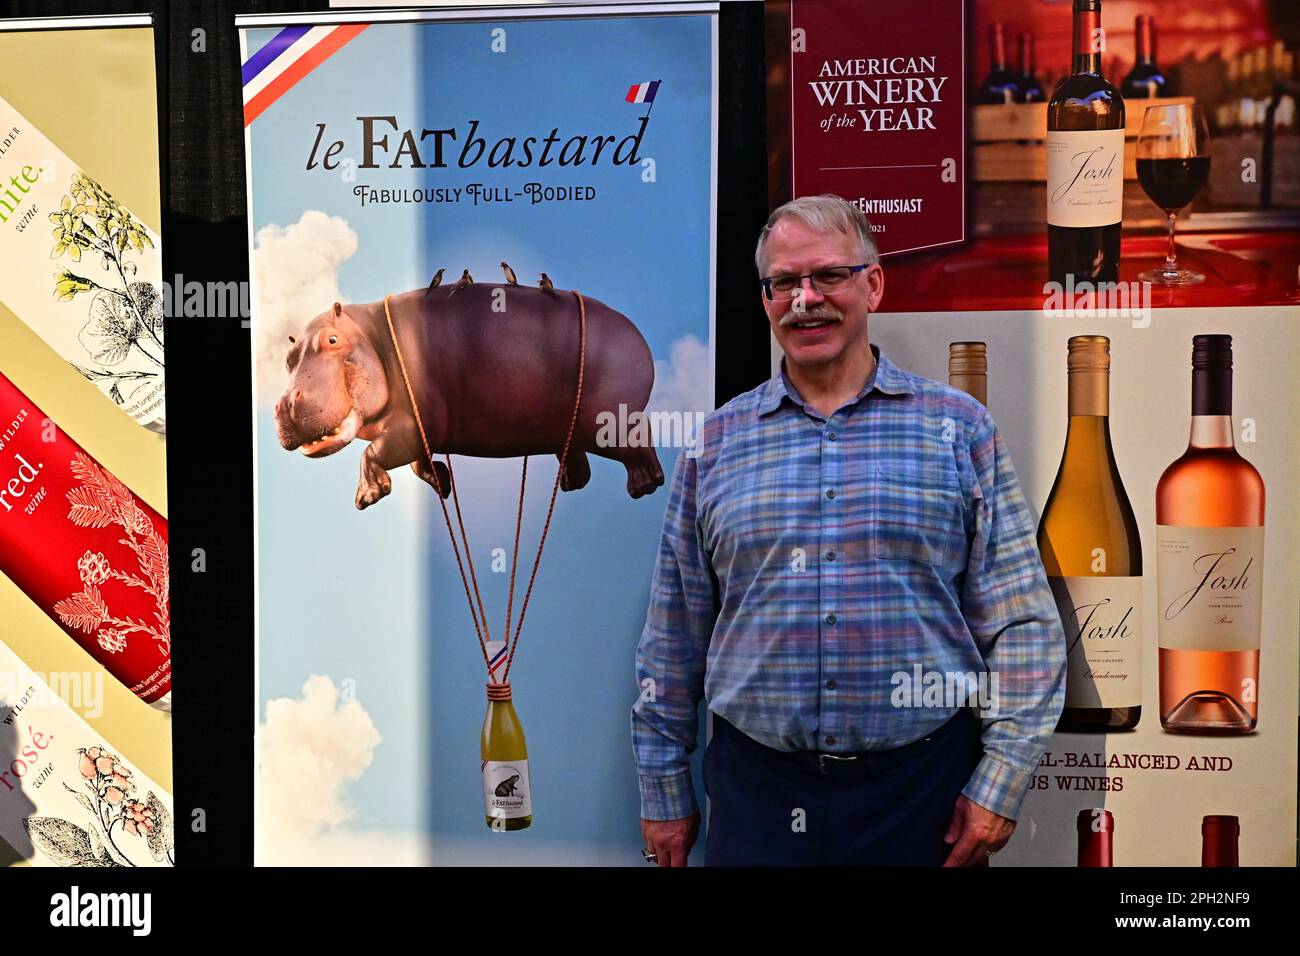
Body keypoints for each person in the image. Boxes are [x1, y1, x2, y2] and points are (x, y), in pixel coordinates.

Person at [631, 194, 1065, 867]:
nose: (805, 299)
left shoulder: (958, 430)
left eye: (829, 275)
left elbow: (1023, 624)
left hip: (923, 798)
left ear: (873, 284)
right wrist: (662, 790)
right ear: (767, 297)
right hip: (756, 798)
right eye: (783, 283)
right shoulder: (714, 446)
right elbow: (673, 638)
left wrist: (1000, 783)